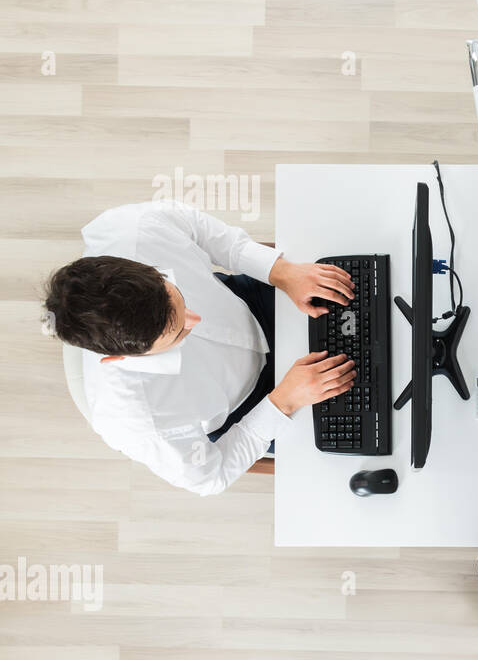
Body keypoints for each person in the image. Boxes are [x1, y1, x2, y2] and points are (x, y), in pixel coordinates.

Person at [42, 199, 359, 495]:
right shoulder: (136, 421)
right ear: (119, 358)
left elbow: (202, 231)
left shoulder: (135, 229)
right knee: (363, 423)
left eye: (178, 298)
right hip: (255, 406)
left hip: (250, 304)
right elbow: (212, 475)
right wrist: (283, 402)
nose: (196, 319)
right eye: (178, 332)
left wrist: (281, 272)